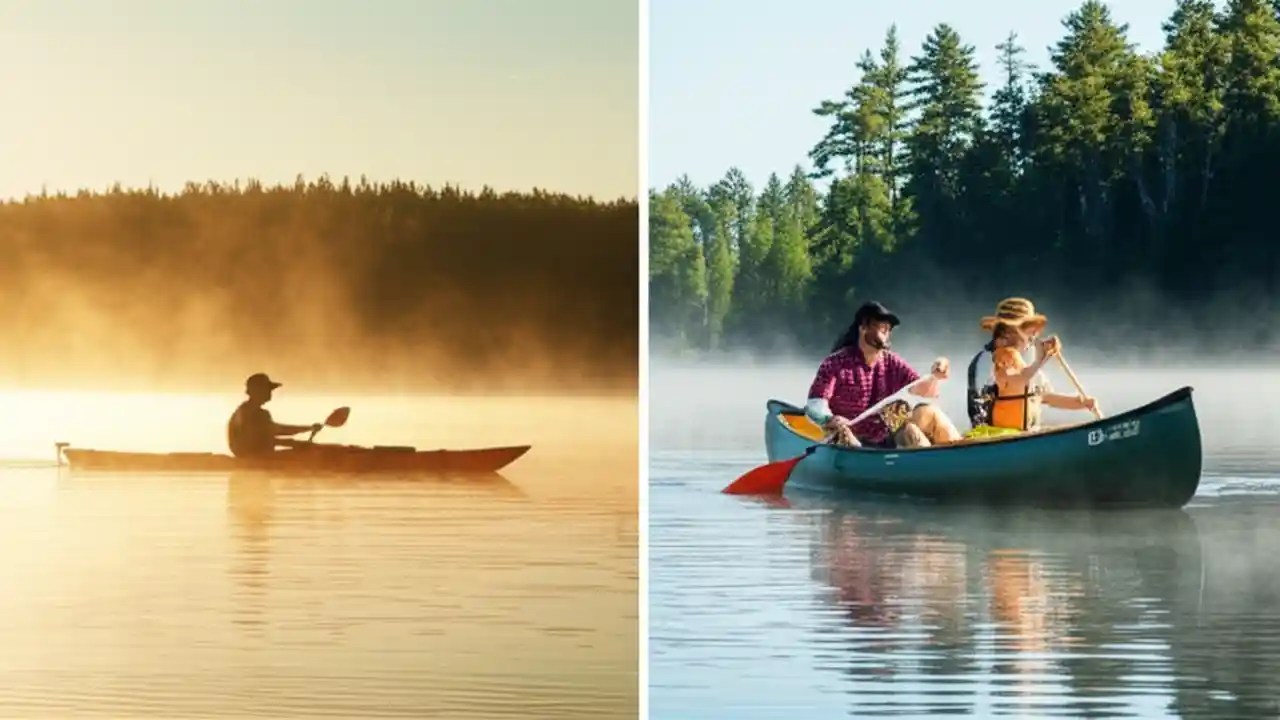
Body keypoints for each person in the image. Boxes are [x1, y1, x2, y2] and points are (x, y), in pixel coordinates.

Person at [805, 301, 963, 449]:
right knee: (845, 435)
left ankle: (957, 456)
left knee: (925, 416)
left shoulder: (892, 362)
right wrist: (830, 419)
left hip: (884, 436)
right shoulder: (835, 364)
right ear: (863, 328)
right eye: (882, 327)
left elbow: (923, 390)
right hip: (850, 439)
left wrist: (937, 374)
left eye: (889, 329)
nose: (887, 331)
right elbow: (815, 404)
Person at [965, 298, 1098, 436]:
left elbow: (1043, 396)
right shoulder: (987, 361)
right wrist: (1041, 360)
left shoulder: (1021, 359)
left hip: (1023, 435)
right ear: (1009, 331)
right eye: (1030, 329)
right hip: (994, 437)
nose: (1035, 335)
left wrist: (1082, 403)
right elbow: (1012, 383)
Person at [227, 373, 323, 458]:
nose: (270, 392)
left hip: (255, 455)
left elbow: (269, 434)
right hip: (255, 458)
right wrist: (296, 442)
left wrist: (308, 430)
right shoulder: (255, 413)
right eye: (267, 389)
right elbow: (273, 433)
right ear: (257, 391)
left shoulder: (245, 410)